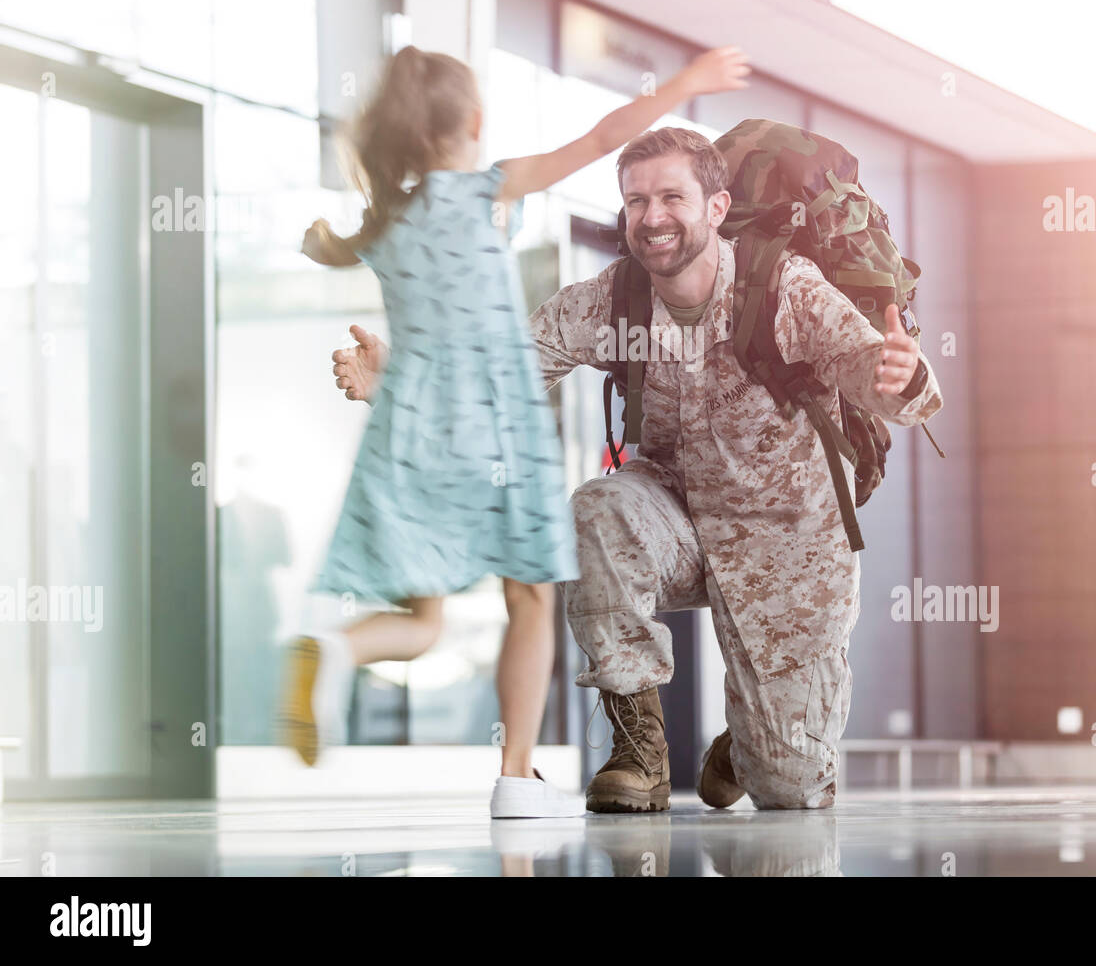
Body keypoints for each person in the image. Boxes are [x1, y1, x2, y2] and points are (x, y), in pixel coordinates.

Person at [333, 125, 943, 814]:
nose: (652, 217)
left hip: (789, 548)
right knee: (597, 508)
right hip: (674, 518)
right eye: (635, 201)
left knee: (788, 788)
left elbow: (878, 378)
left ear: (715, 208)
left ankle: (751, 745)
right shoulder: (614, 299)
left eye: (672, 198)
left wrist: (901, 373)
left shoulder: (784, 288)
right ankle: (639, 752)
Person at [280, 46, 751, 818]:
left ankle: (340, 647)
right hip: (499, 432)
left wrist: (334, 278)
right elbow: (603, 138)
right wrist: (685, 85)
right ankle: (516, 777)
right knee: (529, 599)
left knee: (425, 622)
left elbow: (352, 271)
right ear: (472, 122)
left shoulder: (382, 225)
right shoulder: (484, 192)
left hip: (416, 433)